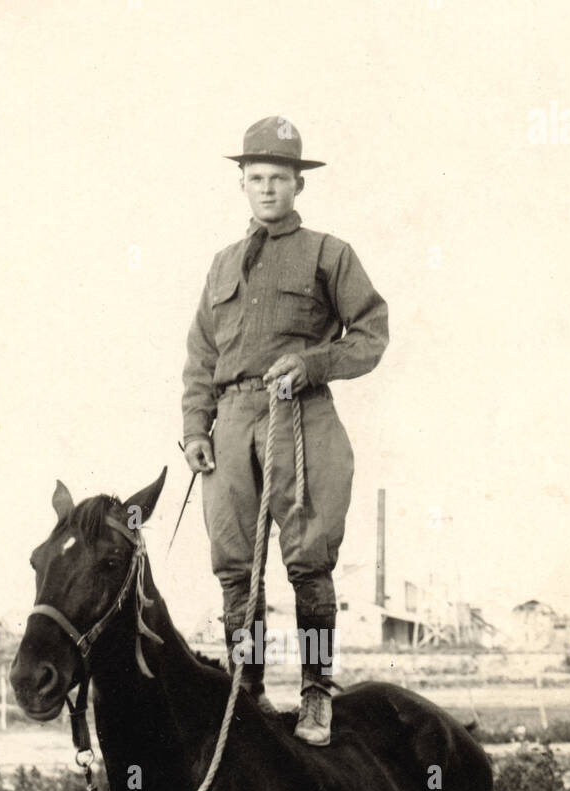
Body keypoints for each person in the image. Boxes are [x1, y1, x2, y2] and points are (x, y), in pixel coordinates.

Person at [182, 116, 388, 745]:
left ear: (299, 184)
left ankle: (317, 690)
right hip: (232, 423)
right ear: (242, 184)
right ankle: (245, 687)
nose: (267, 189)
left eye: (279, 178)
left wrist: (312, 363)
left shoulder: (330, 254)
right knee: (234, 571)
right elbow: (199, 355)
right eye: (255, 178)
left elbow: (371, 335)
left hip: (302, 419)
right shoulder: (221, 266)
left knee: (309, 565)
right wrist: (196, 428)